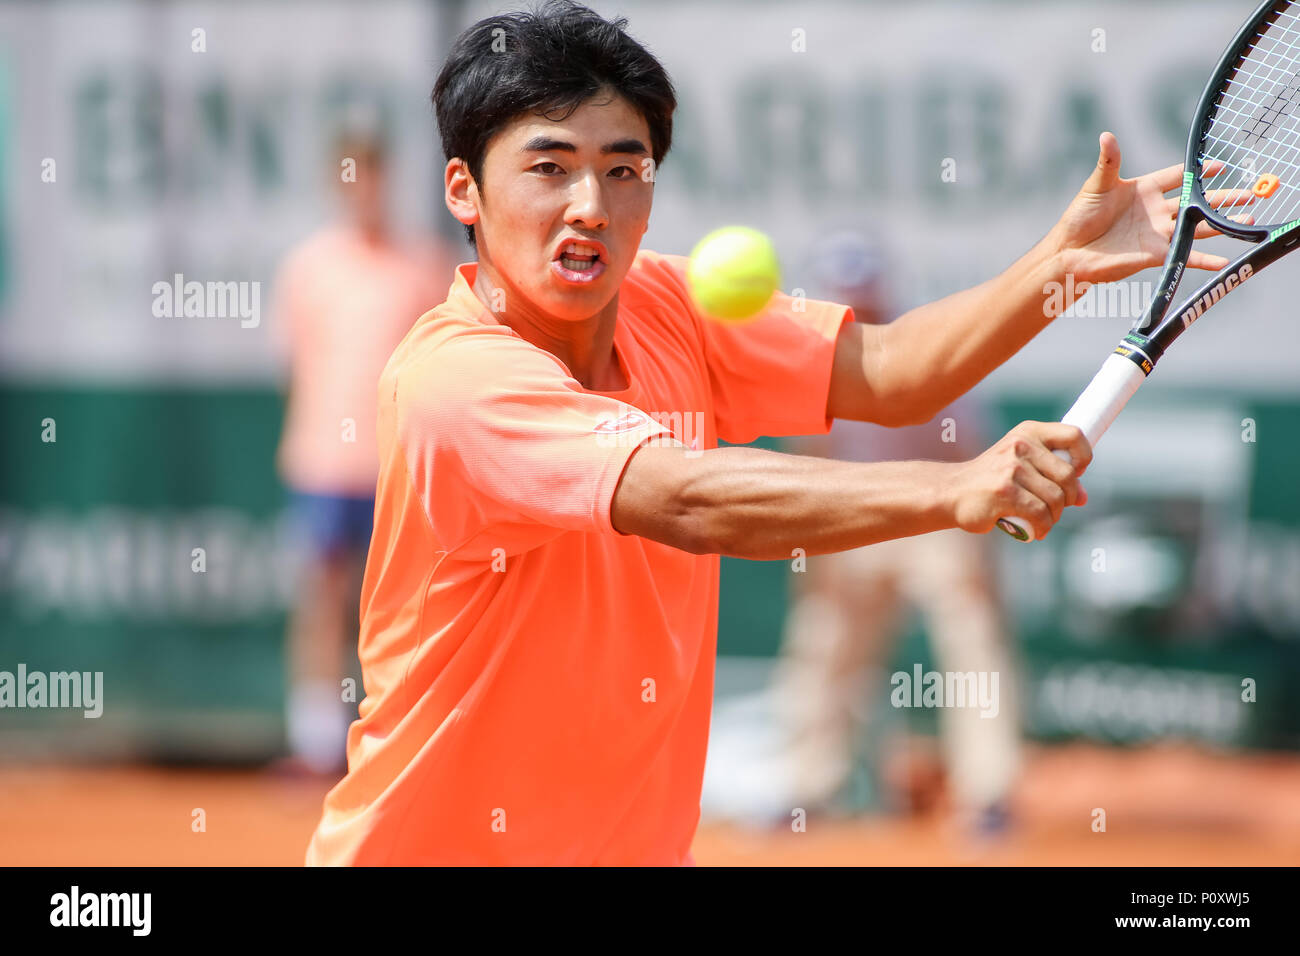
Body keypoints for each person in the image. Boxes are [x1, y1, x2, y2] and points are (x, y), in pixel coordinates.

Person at [305, 1, 1241, 864]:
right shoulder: (453, 380)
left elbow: (894, 370)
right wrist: (953, 487)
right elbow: (687, 499)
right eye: (549, 168)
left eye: (623, 169)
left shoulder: (667, 303)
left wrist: (1062, 263)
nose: (591, 204)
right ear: (464, 191)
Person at [769, 230, 1019, 834]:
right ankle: (807, 791)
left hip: (936, 515)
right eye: (845, 291)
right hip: (852, 519)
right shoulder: (807, 358)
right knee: (824, 642)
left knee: (972, 634)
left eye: (864, 290)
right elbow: (807, 462)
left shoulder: (926, 346)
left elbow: (973, 451)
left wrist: (974, 530)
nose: (857, 303)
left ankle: (988, 795)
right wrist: (813, 547)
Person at [273, 129, 453, 775]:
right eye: (353, 175)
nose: (365, 188)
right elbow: (294, 365)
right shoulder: (308, 267)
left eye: (374, 174)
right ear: (338, 182)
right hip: (321, 465)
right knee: (323, 600)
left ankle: (396, 742)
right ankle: (317, 744)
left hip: (399, 468)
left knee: (403, 606)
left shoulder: (424, 265)